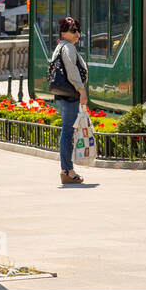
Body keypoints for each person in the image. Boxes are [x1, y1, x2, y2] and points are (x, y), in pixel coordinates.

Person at [49, 16, 89, 185]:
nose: (77, 34)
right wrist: (81, 90)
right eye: (73, 30)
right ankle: (67, 170)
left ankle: (67, 169)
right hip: (70, 94)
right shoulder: (68, 48)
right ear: (64, 32)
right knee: (67, 133)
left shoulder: (60, 46)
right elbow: (72, 71)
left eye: (78, 30)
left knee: (67, 131)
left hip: (62, 95)